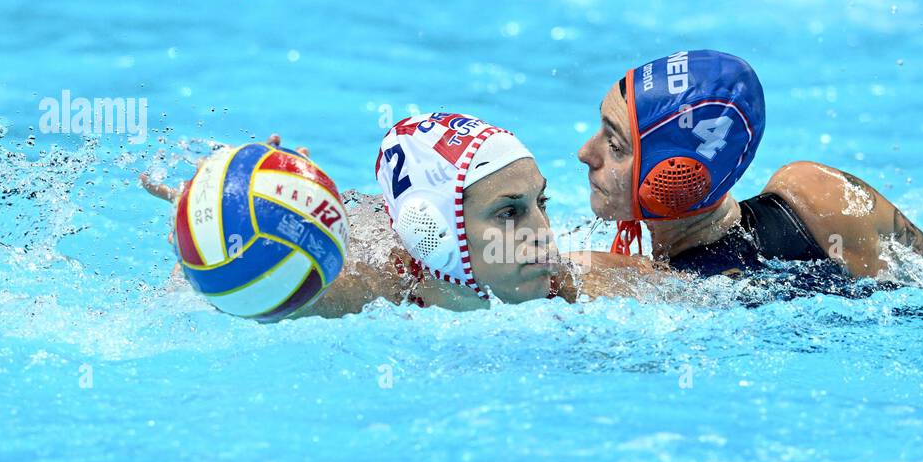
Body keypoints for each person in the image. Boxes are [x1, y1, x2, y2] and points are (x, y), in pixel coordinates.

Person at [142, 113, 648, 317]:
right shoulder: (367, 279)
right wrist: (208, 230)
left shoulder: (562, 277)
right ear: (435, 231)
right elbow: (228, 299)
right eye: (509, 213)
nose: (544, 236)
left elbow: (708, 289)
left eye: (542, 203)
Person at [577, 49, 923, 283]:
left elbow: (544, 274)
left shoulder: (656, 289)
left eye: (615, 145)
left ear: (672, 179)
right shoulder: (821, 194)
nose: (585, 152)